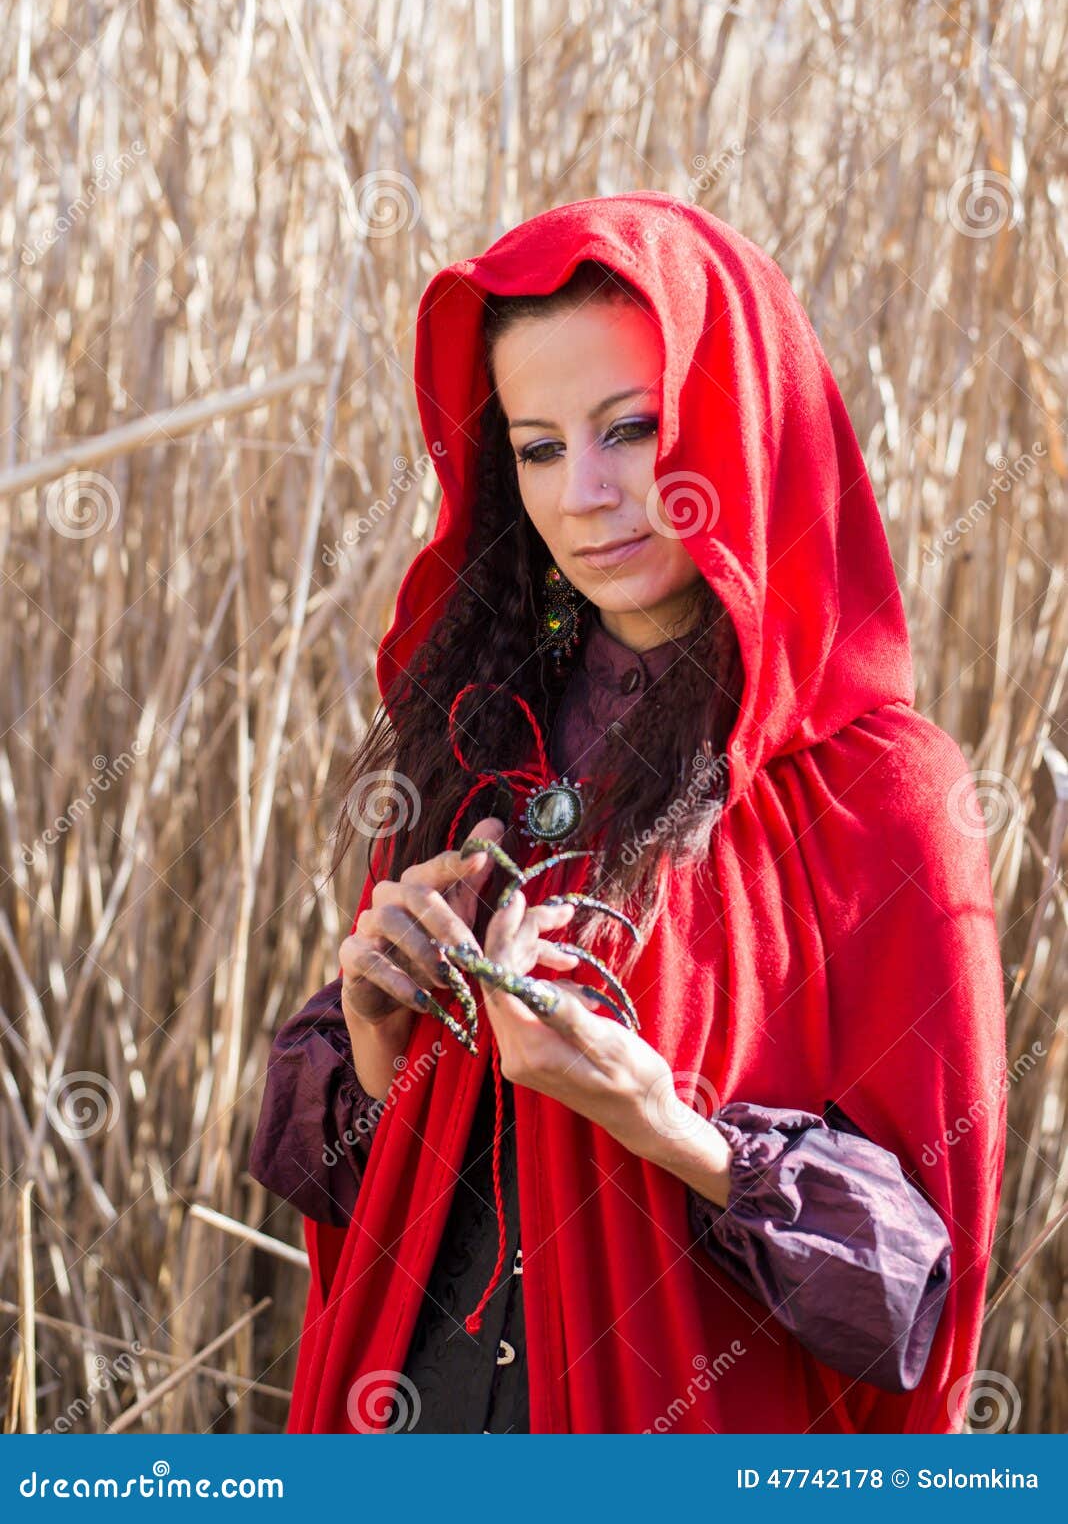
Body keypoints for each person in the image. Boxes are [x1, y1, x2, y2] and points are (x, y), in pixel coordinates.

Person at [250, 192, 1006, 1434]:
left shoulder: (881, 792)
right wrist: (385, 1036)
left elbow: (911, 1300)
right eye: (538, 446)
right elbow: (350, 1194)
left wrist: (659, 1120)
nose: (584, 495)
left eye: (634, 430)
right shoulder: (478, 739)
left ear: (740, 426)